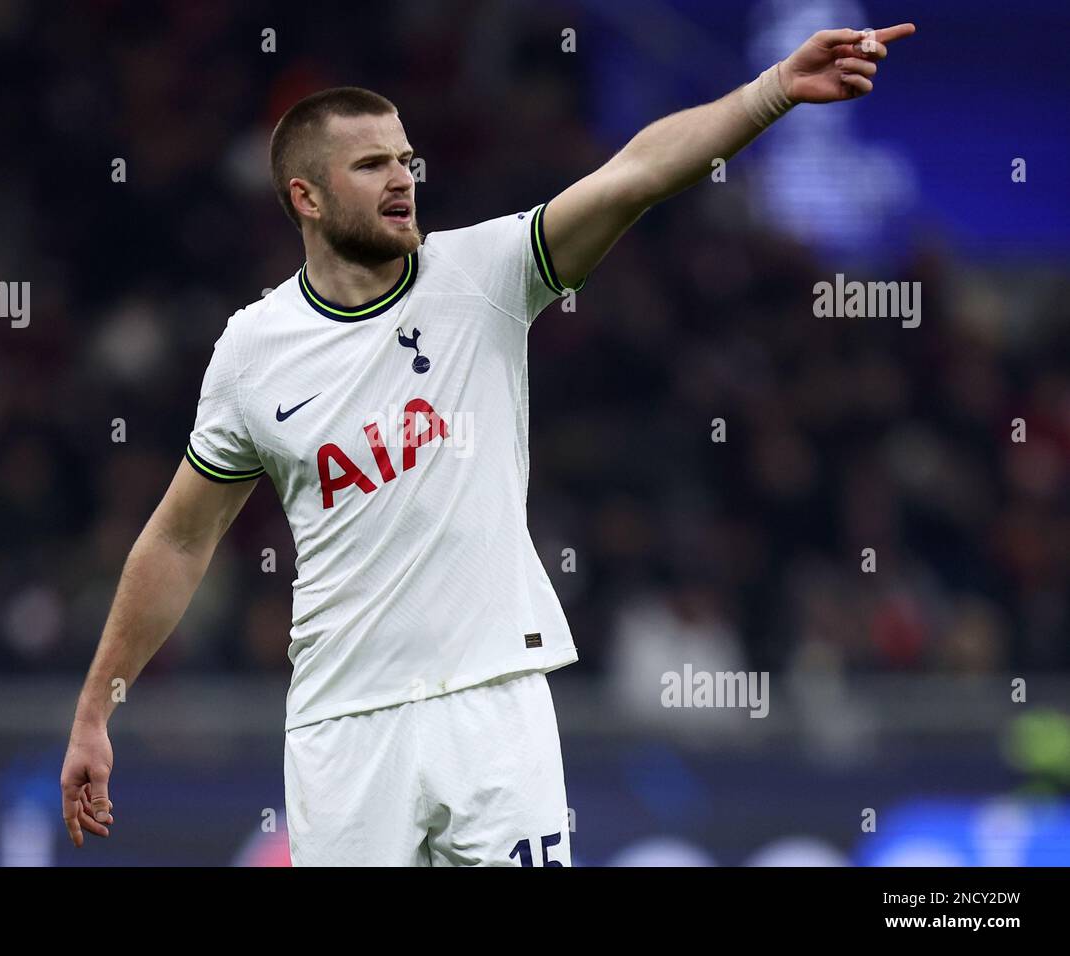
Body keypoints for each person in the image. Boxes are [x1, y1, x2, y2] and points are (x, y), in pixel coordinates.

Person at [61, 22, 916, 866]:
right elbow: (180, 537)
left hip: (495, 701)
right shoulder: (253, 351)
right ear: (305, 198)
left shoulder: (483, 276)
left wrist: (772, 91)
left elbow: (634, 177)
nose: (402, 180)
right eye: (371, 165)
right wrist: (97, 709)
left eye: (405, 160)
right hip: (344, 726)